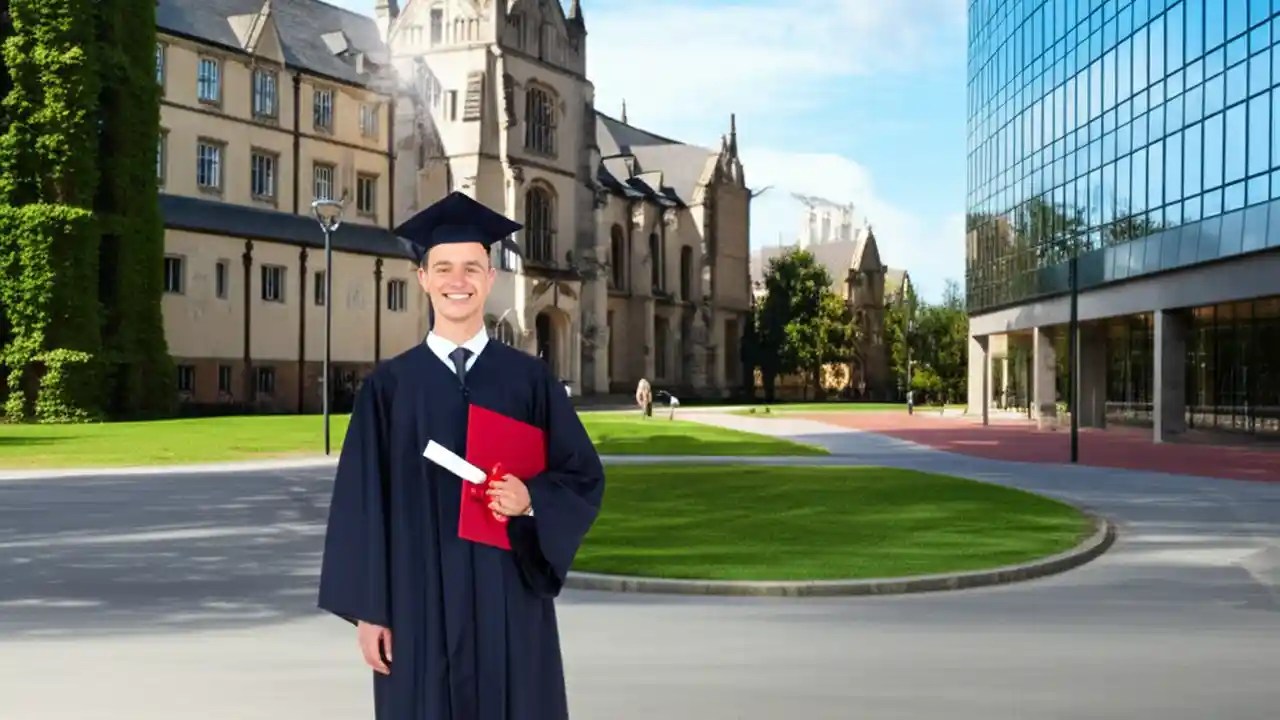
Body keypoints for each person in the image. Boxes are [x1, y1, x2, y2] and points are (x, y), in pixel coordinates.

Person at [317, 191, 606, 720]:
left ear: (490, 278)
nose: (458, 280)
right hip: (416, 604)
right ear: (423, 277)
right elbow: (361, 507)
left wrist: (531, 498)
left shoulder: (529, 381)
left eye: (472, 267)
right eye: (444, 267)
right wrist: (370, 613)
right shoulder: (388, 388)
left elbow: (582, 476)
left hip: (508, 598)